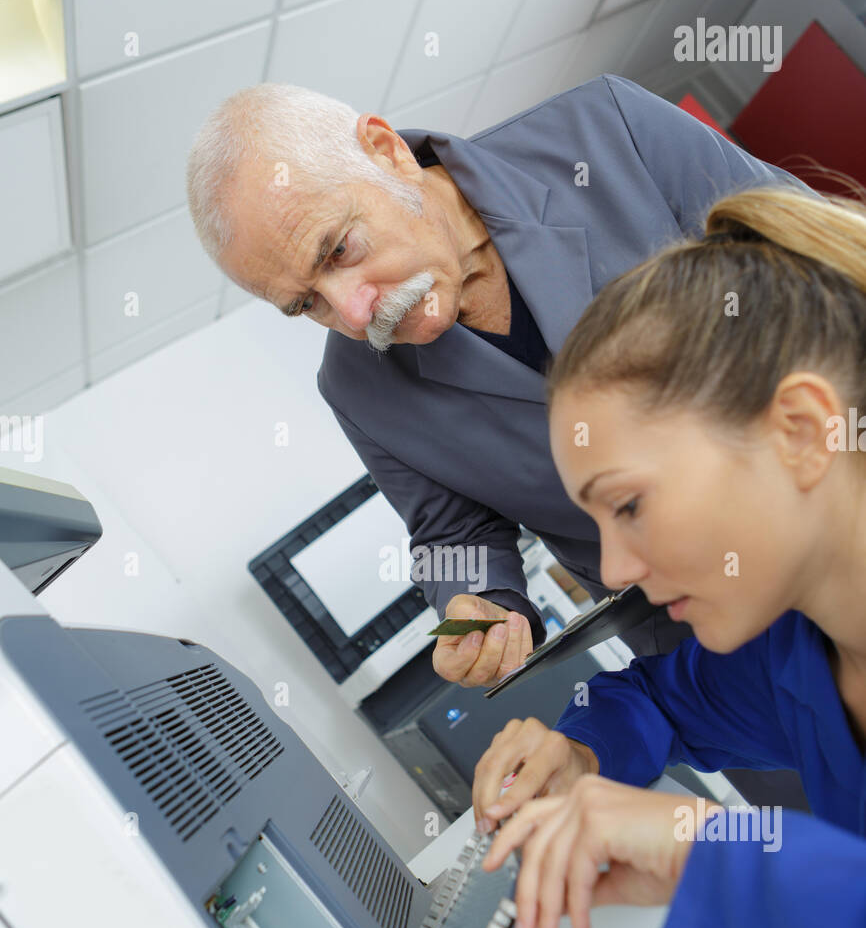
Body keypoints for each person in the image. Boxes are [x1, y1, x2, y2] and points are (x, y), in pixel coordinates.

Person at [472, 186, 866, 928]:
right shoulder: (792, 648)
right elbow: (653, 694)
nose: (610, 572)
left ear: (803, 432)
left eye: (629, 505)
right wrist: (576, 756)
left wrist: (705, 849)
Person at [185, 76, 802, 688]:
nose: (351, 312)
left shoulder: (606, 131)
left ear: (387, 152)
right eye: (305, 305)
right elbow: (453, 531)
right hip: (712, 653)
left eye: (339, 250)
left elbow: (820, 260)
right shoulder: (355, 389)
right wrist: (476, 602)